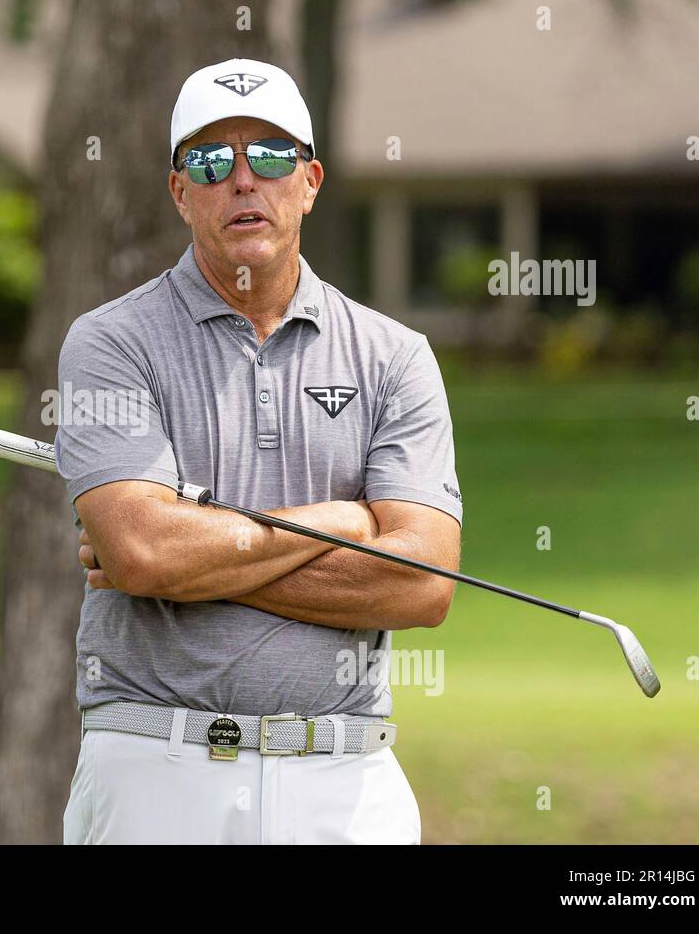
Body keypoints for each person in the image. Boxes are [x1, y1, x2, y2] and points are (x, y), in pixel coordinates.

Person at [56, 58, 463, 844]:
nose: (243, 181)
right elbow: (141, 553)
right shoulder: (110, 343)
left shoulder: (395, 354)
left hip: (347, 776)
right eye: (211, 162)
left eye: (271, 158)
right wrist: (343, 524)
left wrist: (195, 562)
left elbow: (423, 583)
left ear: (309, 181)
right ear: (181, 193)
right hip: (156, 766)